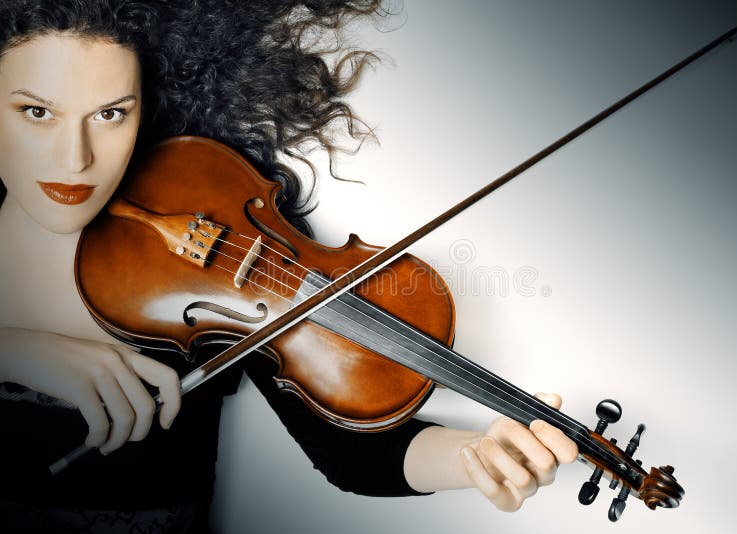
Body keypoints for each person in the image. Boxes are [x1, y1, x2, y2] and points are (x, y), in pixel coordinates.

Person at [0, 1, 578, 531]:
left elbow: (351, 455)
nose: (74, 159)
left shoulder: (218, 211)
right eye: (35, 111)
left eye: (109, 114)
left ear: (145, 105)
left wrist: (475, 456)